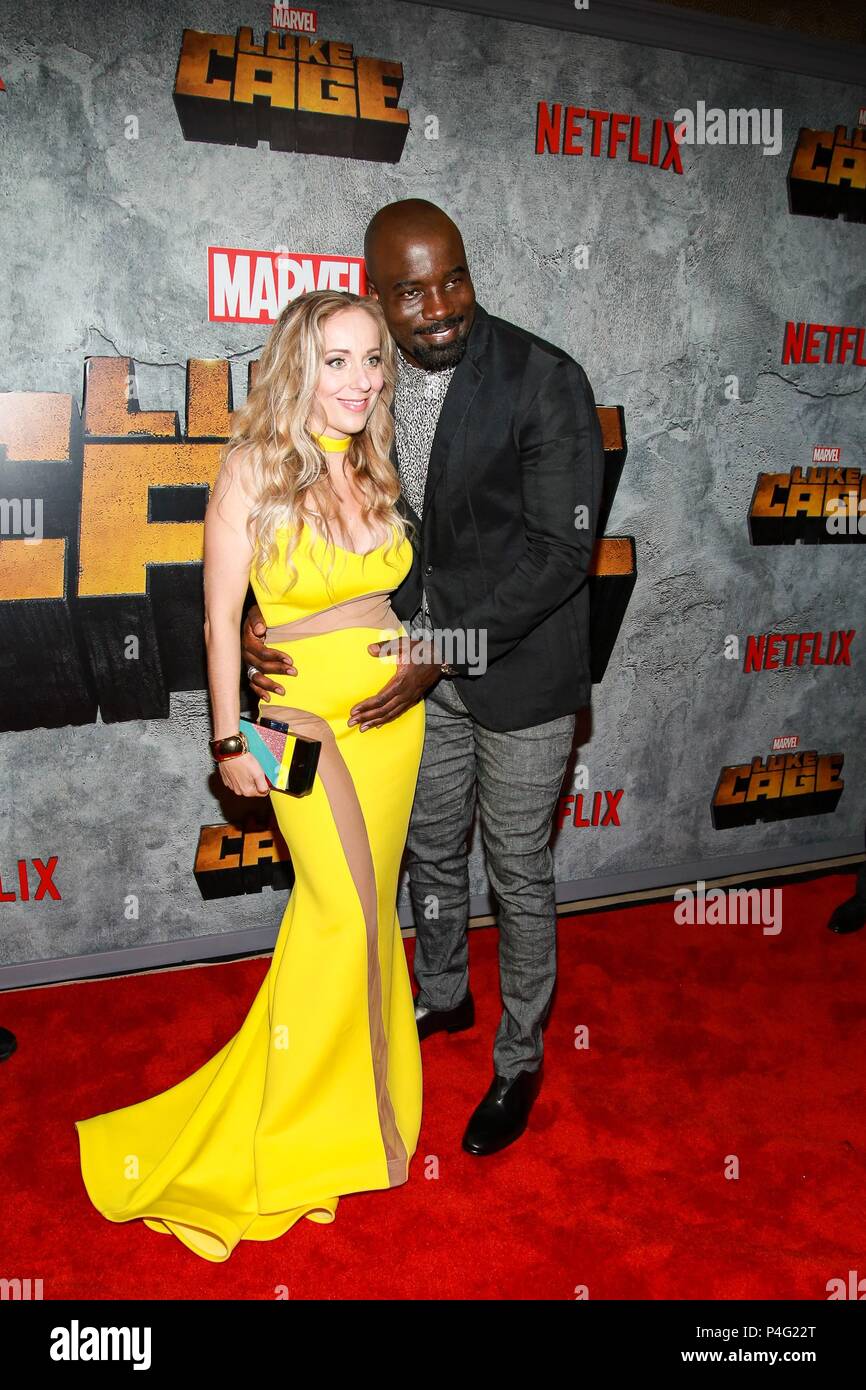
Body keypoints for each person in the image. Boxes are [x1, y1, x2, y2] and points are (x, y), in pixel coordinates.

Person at [74, 289, 430, 1262]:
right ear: (296, 366)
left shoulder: (373, 461)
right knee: (341, 914)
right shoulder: (249, 470)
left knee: (361, 914)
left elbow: (390, 590)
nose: (358, 380)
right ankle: (302, 1127)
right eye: (336, 360)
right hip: (294, 727)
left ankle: (361, 1105)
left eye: (371, 361)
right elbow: (219, 617)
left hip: (394, 726)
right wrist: (229, 741)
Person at [243, 199, 605, 1157]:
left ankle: (520, 1057)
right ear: (379, 295)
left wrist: (438, 650)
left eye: (454, 279)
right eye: (412, 290)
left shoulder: (545, 380)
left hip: (516, 675)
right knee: (431, 855)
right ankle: (442, 993)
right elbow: (325, 518)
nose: (439, 305)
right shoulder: (369, 383)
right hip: (415, 678)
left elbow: (560, 555)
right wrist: (268, 610)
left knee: (517, 872)